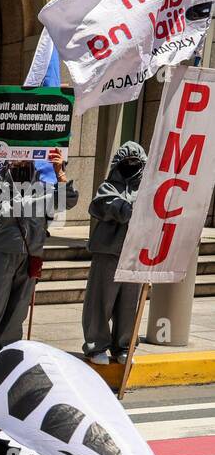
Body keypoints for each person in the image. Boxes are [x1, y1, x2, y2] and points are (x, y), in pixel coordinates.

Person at [0, 147, 78, 359]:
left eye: (27, 158)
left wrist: (60, 172)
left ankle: (8, 356)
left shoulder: (42, 184)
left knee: (18, 312)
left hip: (31, 253)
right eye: (17, 157)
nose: (21, 161)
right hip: (0, 251)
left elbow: (67, 201)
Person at [83, 141, 147, 365]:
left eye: (135, 163)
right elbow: (104, 205)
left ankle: (124, 347)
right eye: (127, 162)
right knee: (101, 301)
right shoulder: (108, 187)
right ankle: (96, 345)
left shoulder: (147, 189)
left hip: (134, 254)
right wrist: (130, 209)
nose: (131, 166)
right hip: (108, 253)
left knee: (129, 303)